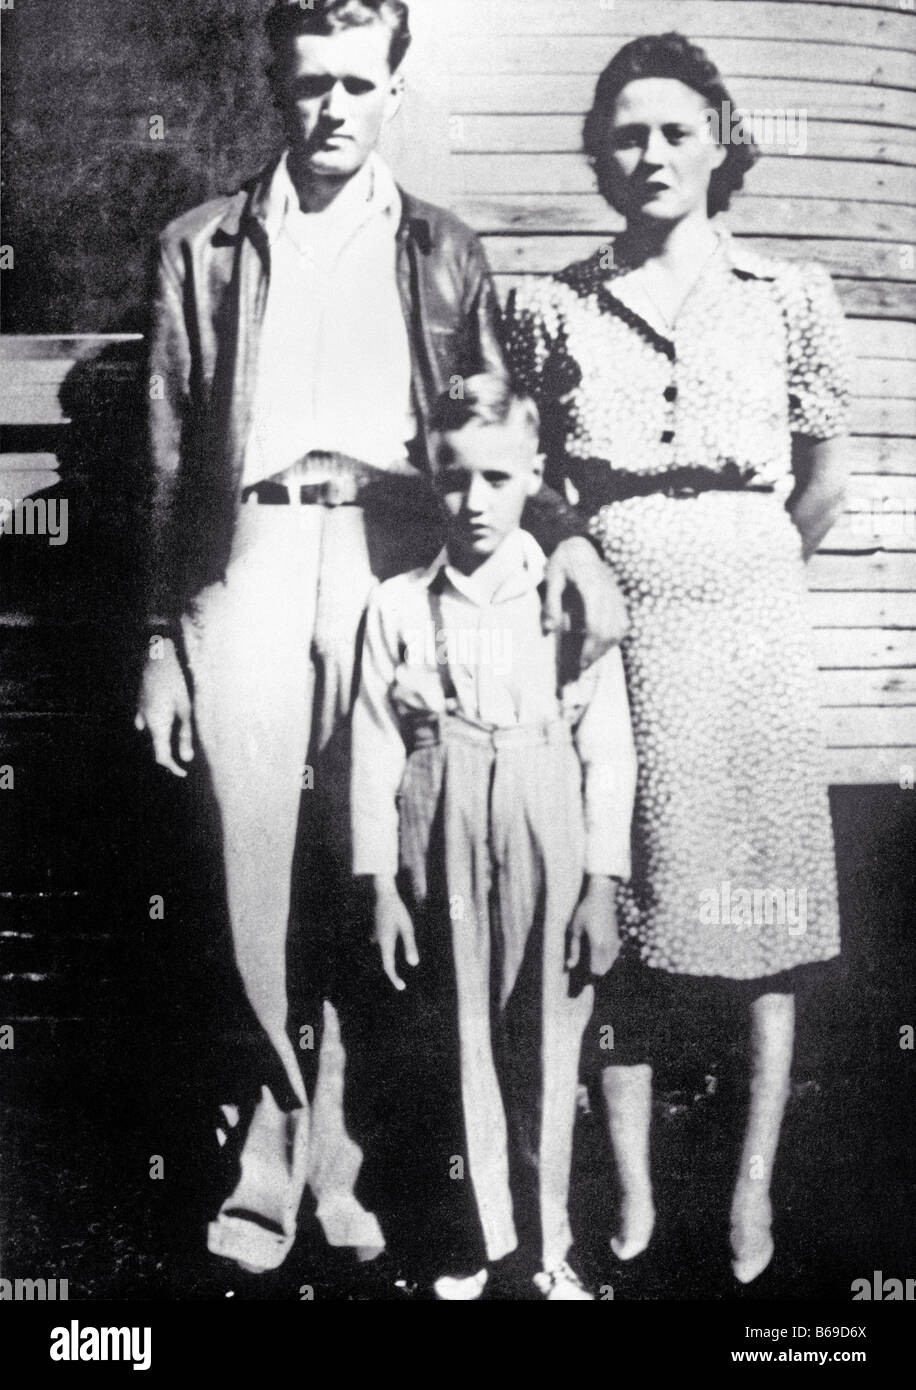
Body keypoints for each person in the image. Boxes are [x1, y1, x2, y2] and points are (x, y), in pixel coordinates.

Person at [135, 0, 627, 1279]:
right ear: (274, 88)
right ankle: (260, 1184)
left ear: (395, 87)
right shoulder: (203, 245)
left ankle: (346, 1175)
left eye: (358, 83)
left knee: (368, 875)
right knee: (248, 881)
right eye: (310, 85)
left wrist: (563, 533)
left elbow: (492, 424)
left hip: (391, 552)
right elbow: (166, 447)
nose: (333, 109)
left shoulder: (441, 249)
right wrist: (158, 637)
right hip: (243, 558)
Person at [503, 32, 851, 1286]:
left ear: (719, 140)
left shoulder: (787, 294)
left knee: (763, 913)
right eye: (625, 132)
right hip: (611, 631)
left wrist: (738, 558)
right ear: (599, 148)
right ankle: (638, 1195)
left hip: (751, 630)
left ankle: (751, 1190)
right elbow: (521, 474)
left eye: (672, 130)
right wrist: (580, 546)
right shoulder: (547, 304)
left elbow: (819, 484)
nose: (647, 154)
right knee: (631, 904)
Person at [350, 377, 638, 1299]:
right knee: (458, 1033)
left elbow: (611, 750)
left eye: (497, 478)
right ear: (427, 478)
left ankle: (549, 1248)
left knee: (549, 1039)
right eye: (451, 478)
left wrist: (601, 881)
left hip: (545, 814)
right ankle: (474, 1239)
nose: (473, 501)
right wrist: (381, 887)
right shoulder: (397, 605)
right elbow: (371, 751)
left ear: (535, 478)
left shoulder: (568, 609)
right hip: (441, 830)